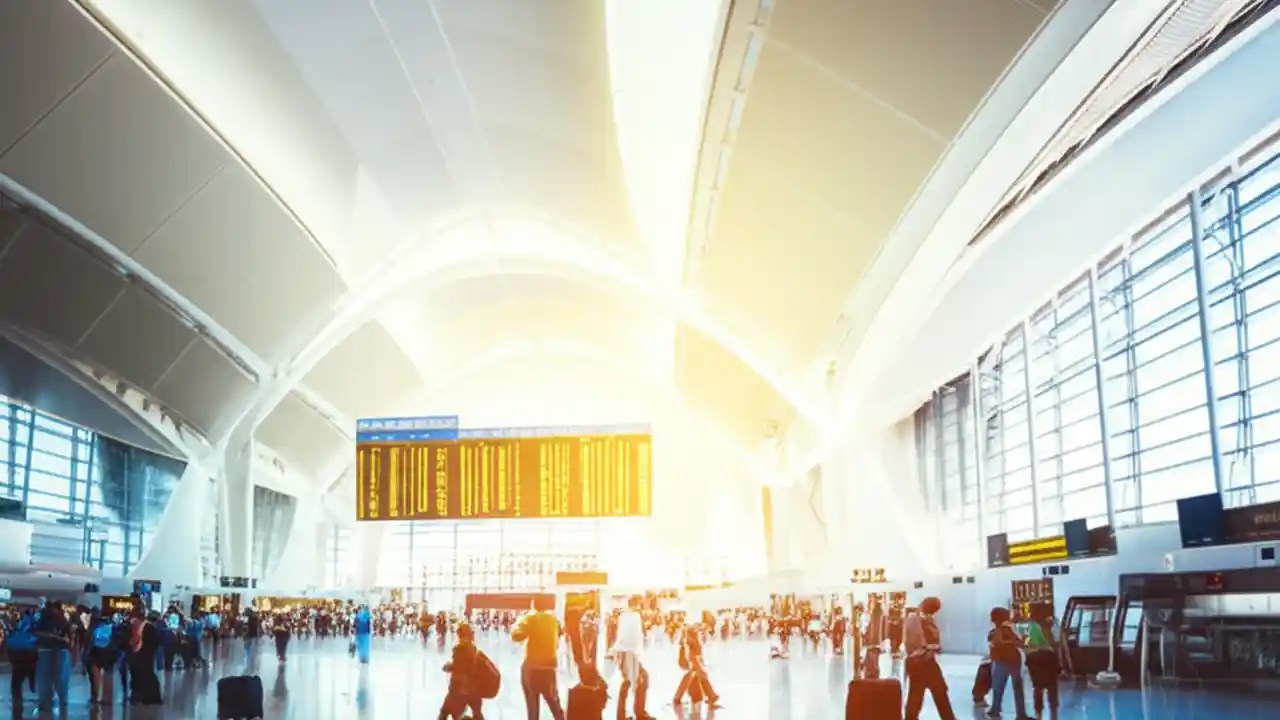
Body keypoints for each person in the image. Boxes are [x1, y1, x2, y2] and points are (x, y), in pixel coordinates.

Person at [903, 597, 957, 720]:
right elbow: (915, 643)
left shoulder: (924, 620)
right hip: (920, 662)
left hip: (922, 661)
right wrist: (930, 646)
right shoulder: (915, 620)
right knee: (934, 692)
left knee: (921, 693)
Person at [511, 602, 565, 720]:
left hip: (532, 669)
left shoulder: (531, 618)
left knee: (532, 708)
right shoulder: (553, 619)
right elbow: (560, 634)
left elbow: (516, 636)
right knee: (554, 704)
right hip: (549, 668)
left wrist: (517, 623)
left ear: (533, 605)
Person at [612, 596, 654, 720]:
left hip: (629, 653)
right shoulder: (632, 616)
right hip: (628, 652)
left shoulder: (627, 615)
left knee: (639, 680)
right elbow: (632, 638)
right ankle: (628, 714)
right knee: (630, 682)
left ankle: (636, 712)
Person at [987, 607, 1030, 720]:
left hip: (1002, 661)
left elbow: (998, 643)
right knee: (1017, 687)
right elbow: (1004, 643)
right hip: (1012, 660)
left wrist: (1019, 642)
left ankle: (995, 709)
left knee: (998, 686)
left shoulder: (999, 630)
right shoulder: (1005, 630)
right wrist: (1018, 642)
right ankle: (1021, 713)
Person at [33, 599, 73, 713]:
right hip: (60, 649)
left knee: (44, 677)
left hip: (45, 649)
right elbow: (69, 636)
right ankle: (62, 699)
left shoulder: (43, 619)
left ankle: (45, 701)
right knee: (60, 677)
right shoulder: (63, 619)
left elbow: (35, 631)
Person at [439, 623, 484, 720]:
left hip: (459, 688)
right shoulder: (472, 648)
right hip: (473, 688)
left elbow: (460, 667)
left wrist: (448, 667)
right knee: (477, 713)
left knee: (444, 712)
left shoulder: (459, 649)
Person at [672, 622, 720, 709]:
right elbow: (684, 662)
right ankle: (711, 694)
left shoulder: (695, 642)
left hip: (693, 671)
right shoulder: (687, 642)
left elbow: (698, 659)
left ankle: (710, 695)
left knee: (697, 696)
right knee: (697, 674)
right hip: (689, 665)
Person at [1024, 612, 1060, 719]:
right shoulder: (1052, 630)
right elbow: (1057, 645)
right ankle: (1053, 713)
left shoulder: (1031, 629)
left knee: (1038, 689)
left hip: (1037, 664)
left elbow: (1027, 646)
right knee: (1052, 688)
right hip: (1049, 663)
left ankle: (1039, 713)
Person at [128, 609, 163, 705]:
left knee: (146, 675)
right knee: (140, 675)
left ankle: (149, 697)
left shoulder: (148, 627)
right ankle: (139, 695)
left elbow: (153, 643)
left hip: (145, 656)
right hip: (139, 655)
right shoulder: (139, 626)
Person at [5, 609, 38, 706]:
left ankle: (17, 702)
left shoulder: (21, 628)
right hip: (29, 658)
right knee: (28, 675)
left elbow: (11, 647)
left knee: (15, 683)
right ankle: (32, 688)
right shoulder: (32, 631)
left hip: (20, 659)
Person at [88, 609, 118, 705]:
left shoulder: (94, 625)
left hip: (96, 652)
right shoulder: (112, 625)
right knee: (108, 676)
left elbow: (90, 638)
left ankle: (95, 697)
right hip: (109, 653)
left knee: (96, 676)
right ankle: (108, 699)